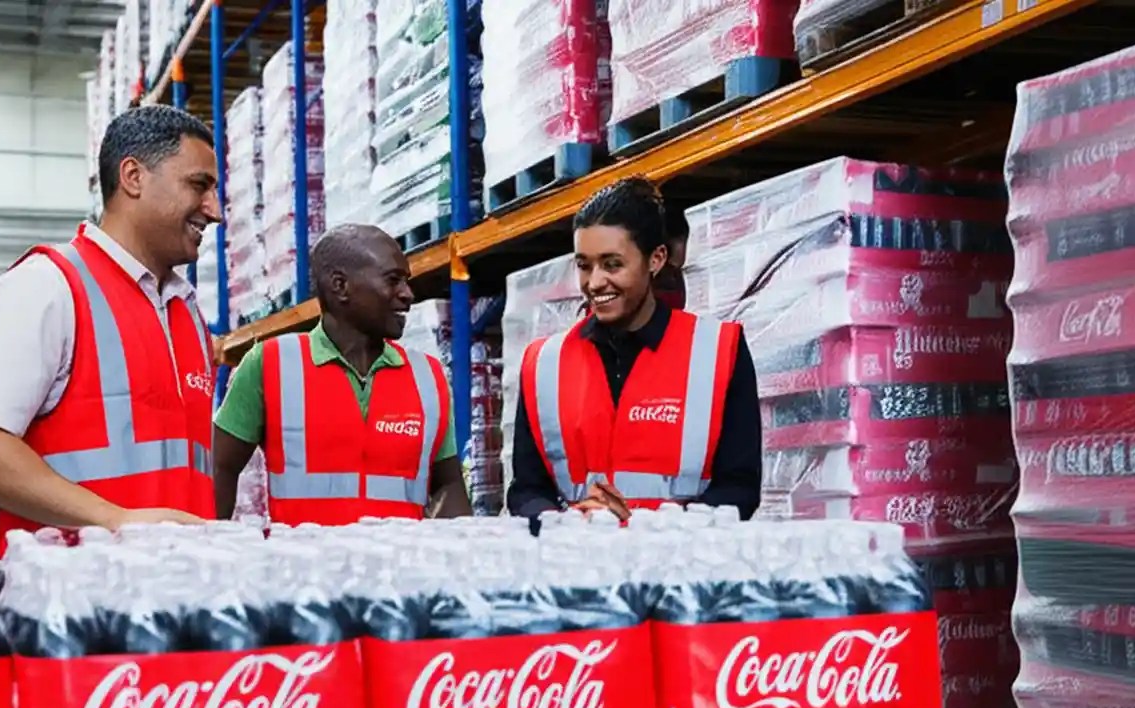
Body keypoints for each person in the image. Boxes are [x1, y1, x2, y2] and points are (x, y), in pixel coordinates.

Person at [0, 106, 221, 555]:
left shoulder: (186, 315)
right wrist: (116, 521)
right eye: (199, 185)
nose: (216, 211)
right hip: (73, 604)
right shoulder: (47, 287)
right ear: (133, 177)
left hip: (177, 599)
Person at [506, 177, 762, 521]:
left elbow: (739, 488)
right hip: (577, 565)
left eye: (613, 264)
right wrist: (569, 521)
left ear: (656, 259)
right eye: (584, 265)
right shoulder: (543, 364)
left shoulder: (718, 351)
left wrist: (645, 526)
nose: (595, 283)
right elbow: (526, 491)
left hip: (683, 566)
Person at [212, 224, 472, 525]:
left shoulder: (428, 376)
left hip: (399, 571)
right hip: (306, 570)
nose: (407, 295)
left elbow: (449, 485)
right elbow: (220, 468)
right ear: (340, 286)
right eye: (393, 280)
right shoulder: (270, 364)